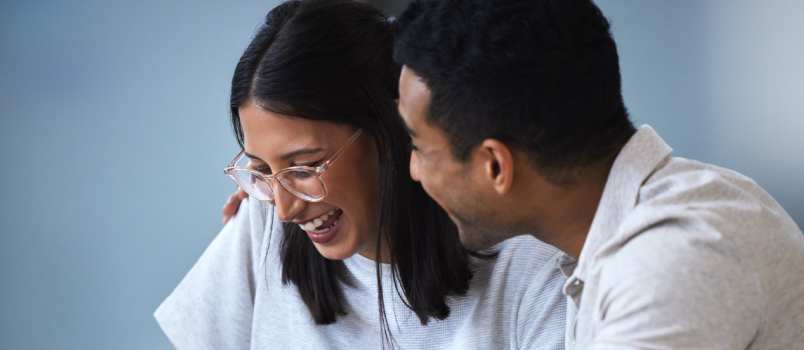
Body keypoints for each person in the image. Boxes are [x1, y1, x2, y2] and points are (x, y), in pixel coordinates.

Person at [389, 0, 804, 348]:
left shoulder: (668, 265)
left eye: (419, 147)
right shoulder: (614, 239)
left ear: (496, 166)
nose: (413, 171)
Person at [156, 0, 567, 349]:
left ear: (390, 131)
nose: (285, 209)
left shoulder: (531, 263)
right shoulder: (263, 221)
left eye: (304, 167)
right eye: (261, 170)